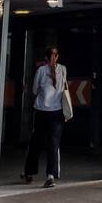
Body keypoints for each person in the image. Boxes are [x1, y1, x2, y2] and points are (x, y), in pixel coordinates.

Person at [22, 47, 66, 187]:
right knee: (53, 144)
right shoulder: (63, 69)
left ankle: (29, 172)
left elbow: (35, 90)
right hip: (57, 111)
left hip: (41, 111)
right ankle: (51, 176)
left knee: (36, 142)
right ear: (57, 57)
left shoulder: (41, 71)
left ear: (46, 58)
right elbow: (65, 88)